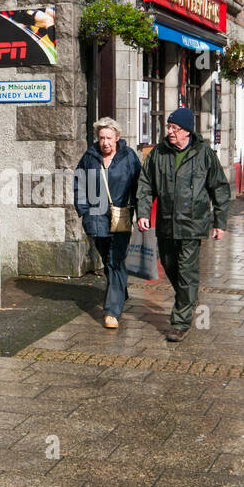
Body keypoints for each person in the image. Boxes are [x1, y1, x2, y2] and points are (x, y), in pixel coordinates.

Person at [136, 107, 230, 342]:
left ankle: (179, 322)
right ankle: (188, 298)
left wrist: (220, 221)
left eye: (174, 128)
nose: (170, 132)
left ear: (187, 131)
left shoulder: (204, 153)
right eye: (168, 127)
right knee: (169, 265)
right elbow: (146, 183)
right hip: (166, 222)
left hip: (193, 223)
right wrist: (144, 212)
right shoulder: (159, 153)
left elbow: (219, 186)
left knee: (187, 271)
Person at [74, 117, 141, 329]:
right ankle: (121, 289)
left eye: (109, 138)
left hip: (120, 215)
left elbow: (140, 185)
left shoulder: (128, 157)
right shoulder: (90, 157)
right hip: (95, 216)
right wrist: (83, 210)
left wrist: (141, 212)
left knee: (116, 259)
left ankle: (112, 311)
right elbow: (79, 183)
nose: (105, 142)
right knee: (107, 258)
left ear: (117, 138)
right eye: (102, 138)